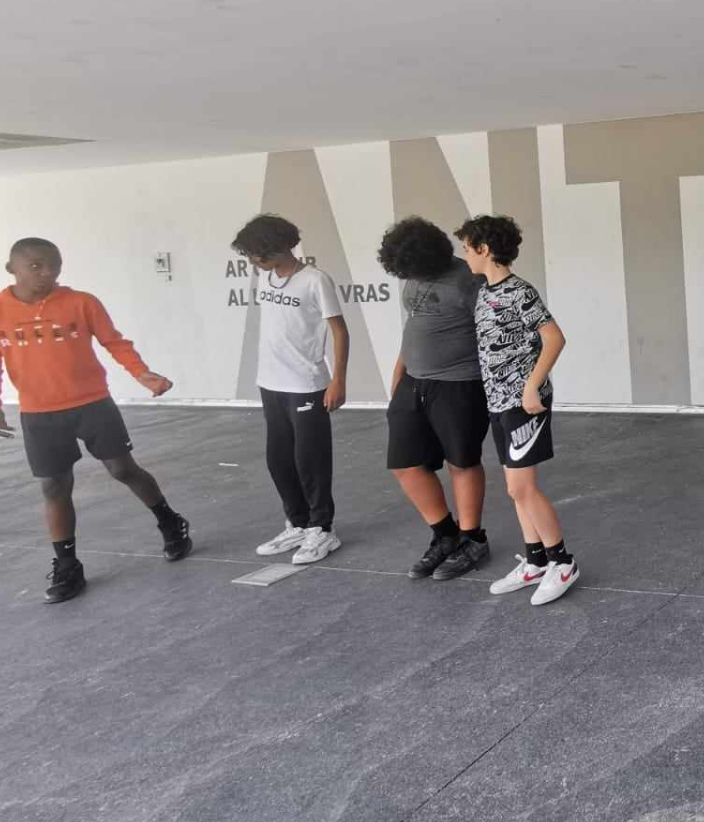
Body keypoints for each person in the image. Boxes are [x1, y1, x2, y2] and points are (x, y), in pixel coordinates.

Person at [0, 237, 193, 604]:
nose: (47, 273)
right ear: (12, 269)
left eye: (54, 265)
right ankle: (68, 564)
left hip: (93, 405)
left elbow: (115, 343)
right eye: (36, 266)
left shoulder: (81, 303)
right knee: (54, 487)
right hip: (39, 414)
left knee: (122, 469)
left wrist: (142, 374)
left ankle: (170, 521)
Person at [455, 215, 579, 605]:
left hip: (523, 403)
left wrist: (531, 386)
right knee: (515, 490)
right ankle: (535, 561)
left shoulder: (518, 291)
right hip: (498, 401)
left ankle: (563, 562)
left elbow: (555, 338)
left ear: (484, 249)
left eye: (467, 247)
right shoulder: (484, 291)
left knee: (520, 488)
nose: (464, 255)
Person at [377, 216, 492, 580]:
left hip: (460, 383)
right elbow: (414, 325)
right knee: (404, 463)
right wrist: (399, 372)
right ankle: (445, 535)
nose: (410, 275)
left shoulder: (470, 281)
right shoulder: (414, 274)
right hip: (414, 380)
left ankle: (472, 539)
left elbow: (495, 337)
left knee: (462, 462)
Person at [231, 214, 349, 564]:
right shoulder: (266, 276)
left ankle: (321, 529)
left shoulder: (315, 281)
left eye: (257, 253)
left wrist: (338, 379)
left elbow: (339, 331)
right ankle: (297, 523)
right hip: (270, 382)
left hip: (306, 383)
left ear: (280, 248)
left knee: (309, 458)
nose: (253, 260)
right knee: (278, 459)